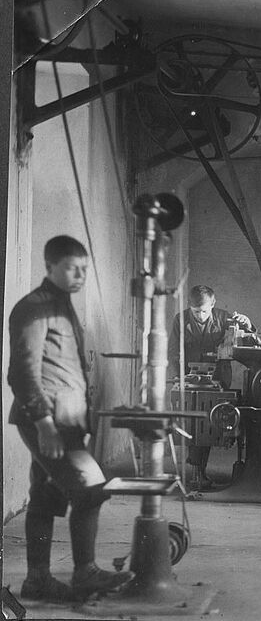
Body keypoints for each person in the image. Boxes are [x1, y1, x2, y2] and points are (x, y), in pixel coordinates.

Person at [7, 236, 134, 602]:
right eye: (72, 268)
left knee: (45, 497)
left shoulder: (62, 306)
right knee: (91, 490)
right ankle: (85, 573)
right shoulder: (34, 308)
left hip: (69, 421)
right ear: (50, 267)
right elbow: (22, 373)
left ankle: (37, 580)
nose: (80, 275)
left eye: (84, 269)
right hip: (47, 422)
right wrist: (45, 424)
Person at [167, 284, 253, 489]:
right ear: (189, 307)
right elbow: (172, 352)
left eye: (204, 311)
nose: (200, 316)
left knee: (209, 420)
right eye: (196, 312)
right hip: (189, 377)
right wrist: (176, 378)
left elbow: (249, 339)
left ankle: (198, 469)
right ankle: (197, 469)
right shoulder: (181, 319)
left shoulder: (224, 318)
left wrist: (247, 324)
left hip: (218, 377)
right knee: (193, 421)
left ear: (213, 304)